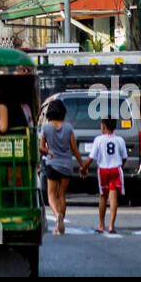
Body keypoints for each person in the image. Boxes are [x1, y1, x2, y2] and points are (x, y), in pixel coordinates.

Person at [39, 99, 86, 235]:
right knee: (62, 195)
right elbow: (74, 149)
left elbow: (41, 148)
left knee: (51, 195)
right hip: (66, 166)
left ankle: (56, 216)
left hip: (52, 164)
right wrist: (83, 165)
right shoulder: (68, 127)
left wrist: (46, 153)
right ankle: (60, 222)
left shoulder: (46, 128)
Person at [81, 118, 128, 233]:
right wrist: (120, 166)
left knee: (103, 197)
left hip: (103, 170)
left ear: (103, 127)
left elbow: (91, 157)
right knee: (113, 198)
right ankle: (111, 225)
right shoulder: (120, 140)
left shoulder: (99, 140)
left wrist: (84, 167)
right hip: (116, 169)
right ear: (115, 127)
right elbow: (124, 157)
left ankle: (101, 225)